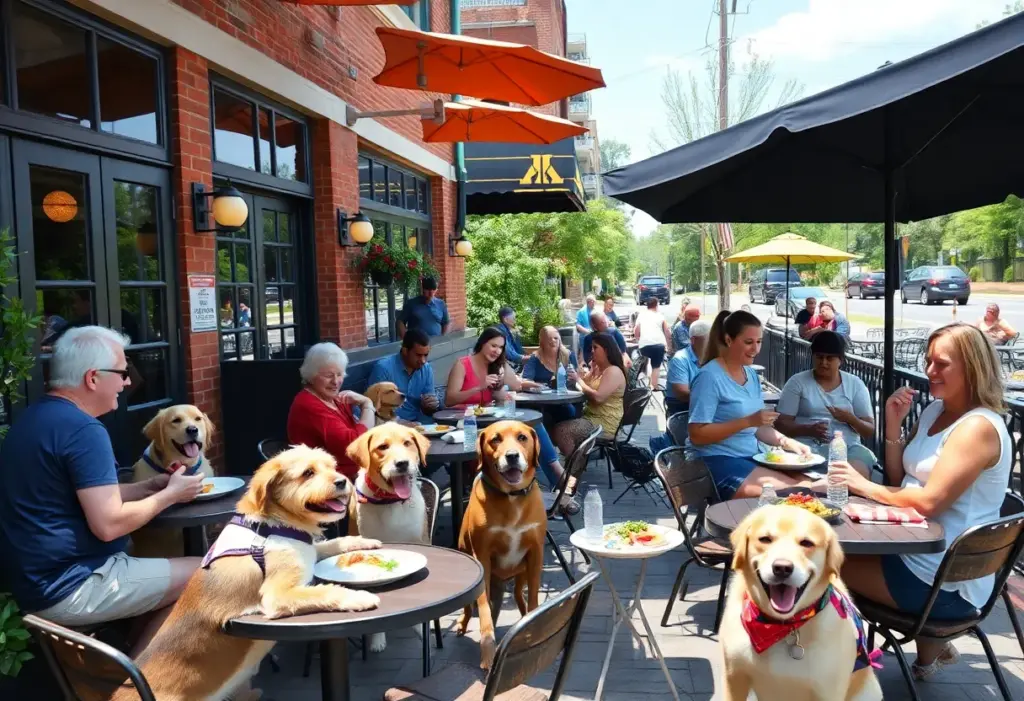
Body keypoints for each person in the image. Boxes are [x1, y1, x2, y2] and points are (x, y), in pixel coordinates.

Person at [0, 326, 203, 654]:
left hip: (32, 583)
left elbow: (81, 496)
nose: (127, 381)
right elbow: (108, 525)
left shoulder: (35, 417)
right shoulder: (84, 431)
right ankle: (136, 685)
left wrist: (150, 486)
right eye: (122, 372)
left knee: (165, 574)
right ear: (93, 378)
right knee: (209, 572)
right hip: (73, 585)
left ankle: (126, 666)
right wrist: (171, 495)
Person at [828, 323, 1011, 681]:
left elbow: (927, 503)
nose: (929, 371)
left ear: (972, 366)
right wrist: (893, 426)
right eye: (928, 361)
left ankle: (835, 667)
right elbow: (899, 482)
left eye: (941, 363)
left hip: (941, 582)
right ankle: (929, 654)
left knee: (820, 562)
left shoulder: (978, 428)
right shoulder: (934, 411)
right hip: (912, 551)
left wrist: (861, 484)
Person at [687, 310, 814, 500]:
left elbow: (758, 427)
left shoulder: (752, 375)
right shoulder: (709, 376)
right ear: (728, 340)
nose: (755, 349)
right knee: (797, 493)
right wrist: (748, 421)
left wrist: (787, 442)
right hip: (715, 462)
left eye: (759, 341)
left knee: (816, 482)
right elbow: (697, 434)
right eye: (748, 342)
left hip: (752, 457)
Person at [445, 328, 574, 510]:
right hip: (465, 425)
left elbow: (515, 385)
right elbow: (449, 399)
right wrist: (480, 387)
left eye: (500, 347)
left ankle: (557, 481)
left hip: (491, 423)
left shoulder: (496, 365)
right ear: (482, 343)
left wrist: (501, 383)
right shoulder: (462, 364)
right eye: (493, 345)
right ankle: (561, 483)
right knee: (526, 430)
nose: (496, 351)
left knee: (532, 426)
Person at [775, 331, 875, 472]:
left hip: (849, 448)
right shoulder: (797, 382)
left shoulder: (855, 384)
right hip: (806, 447)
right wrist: (808, 430)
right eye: (819, 357)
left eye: (830, 358)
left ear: (840, 360)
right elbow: (781, 424)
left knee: (856, 472)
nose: (824, 363)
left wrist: (851, 419)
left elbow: (869, 430)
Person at [287, 342, 374, 482]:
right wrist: (367, 404)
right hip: (327, 482)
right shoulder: (308, 404)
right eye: (328, 375)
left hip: (352, 475)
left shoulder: (337, 399)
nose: (336, 381)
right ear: (311, 375)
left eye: (339, 374)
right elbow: (354, 445)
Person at [552, 332, 627, 455]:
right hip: (590, 417)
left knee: (561, 431)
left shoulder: (613, 371)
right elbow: (583, 386)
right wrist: (587, 373)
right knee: (554, 422)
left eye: (595, 347)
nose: (592, 351)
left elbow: (598, 398)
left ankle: (573, 468)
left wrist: (579, 380)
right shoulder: (598, 369)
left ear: (606, 350)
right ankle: (576, 460)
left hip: (604, 424)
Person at [368, 329, 439, 425]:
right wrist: (400, 423)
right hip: (391, 426)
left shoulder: (426, 369)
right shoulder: (383, 368)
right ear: (405, 351)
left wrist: (431, 405)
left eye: (426, 355)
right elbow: (373, 407)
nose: (423, 360)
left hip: (421, 424)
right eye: (418, 355)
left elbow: (429, 408)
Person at [665, 319, 711, 416]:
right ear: (694, 340)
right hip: (683, 412)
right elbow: (682, 394)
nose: (713, 343)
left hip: (703, 408)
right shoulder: (680, 359)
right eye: (709, 339)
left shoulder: (712, 358)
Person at [632, 297, 672, 390]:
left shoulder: (641, 315)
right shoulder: (660, 316)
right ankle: (654, 385)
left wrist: (638, 339)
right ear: (657, 305)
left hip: (645, 344)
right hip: (659, 344)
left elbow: (636, 331)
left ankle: (648, 383)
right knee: (656, 366)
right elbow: (667, 331)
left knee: (647, 361)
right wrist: (669, 345)